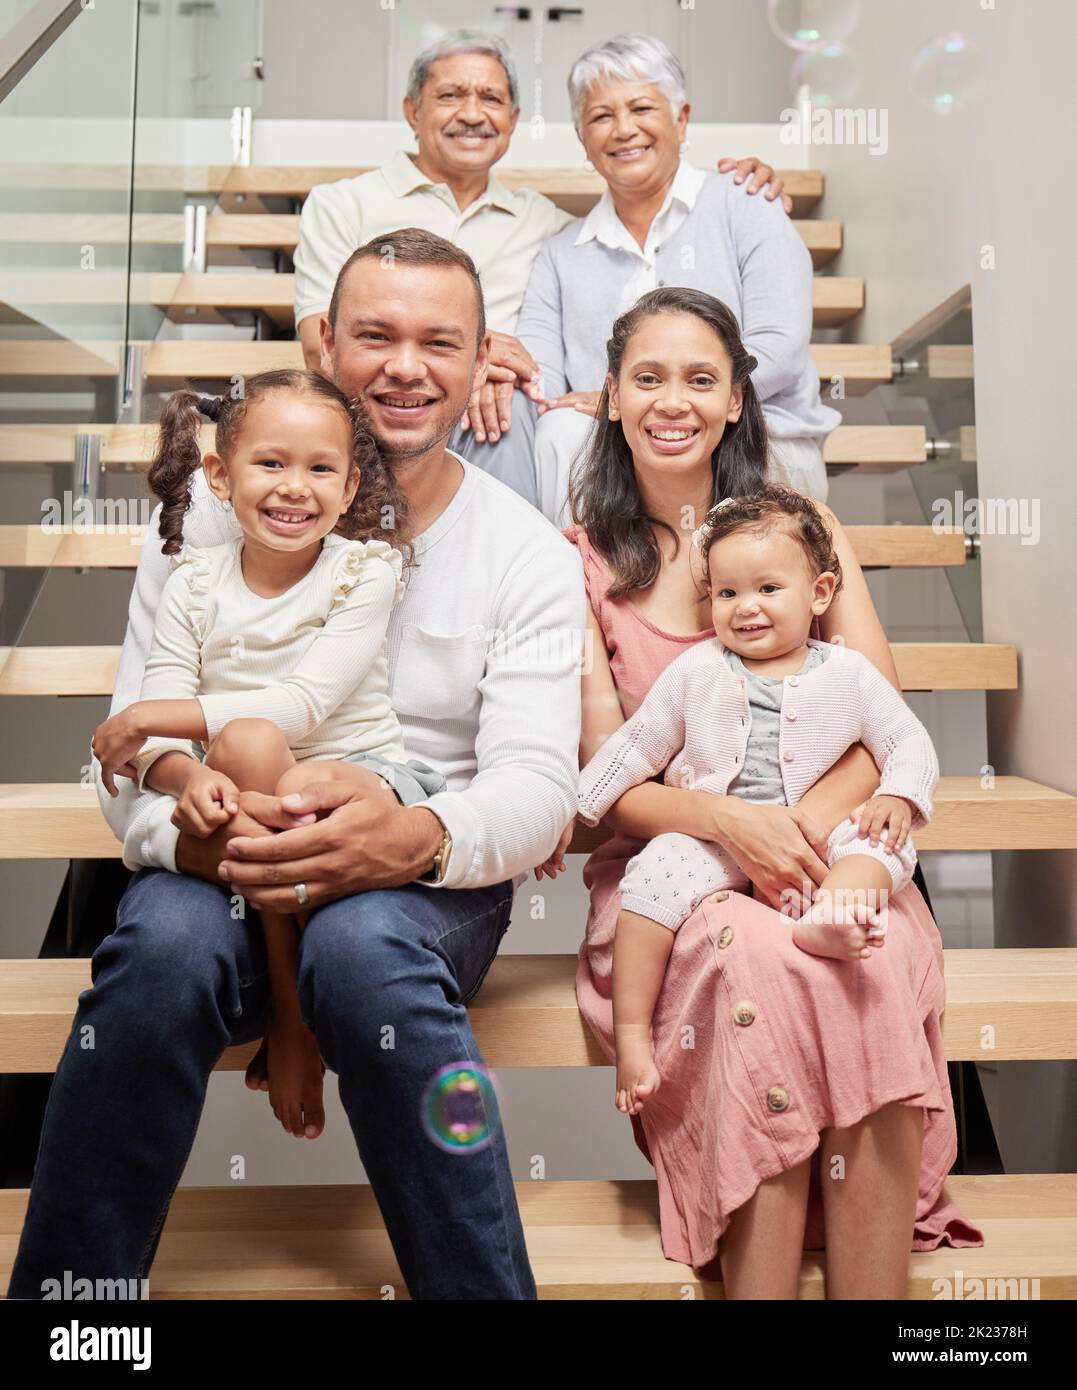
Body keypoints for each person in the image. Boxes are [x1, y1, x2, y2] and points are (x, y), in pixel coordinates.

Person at [8, 229, 586, 1301]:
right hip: (225, 863)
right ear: (323, 343)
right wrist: (195, 824)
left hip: (418, 879)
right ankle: (71, 1325)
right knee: (162, 956)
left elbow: (539, 787)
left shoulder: (525, 554)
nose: (405, 366)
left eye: (438, 343)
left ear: (476, 363)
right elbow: (130, 751)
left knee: (362, 951)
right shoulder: (199, 526)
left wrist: (415, 835)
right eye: (374, 335)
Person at [547, 285, 983, 1297]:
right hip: (672, 865)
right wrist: (728, 825)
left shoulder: (805, 530)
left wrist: (799, 833)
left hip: (823, 848)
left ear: (738, 397)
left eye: (701, 379)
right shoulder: (575, 562)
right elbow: (611, 778)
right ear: (610, 396)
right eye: (648, 377)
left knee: (870, 955)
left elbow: (882, 724)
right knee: (757, 964)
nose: (674, 401)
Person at [89, 369, 447, 1140]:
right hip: (241, 791)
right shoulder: (192, 581)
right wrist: (187, 776)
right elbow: (158, 747)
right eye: (271, 464)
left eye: (321, 469)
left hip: (355, 782)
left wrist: (154, 724)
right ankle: (290, 1014)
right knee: (236, 755)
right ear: (219, 475)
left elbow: (300, 707)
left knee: (252, 737)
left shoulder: (365, 571)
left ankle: (287, 1014)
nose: (296, 488)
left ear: (352, 487)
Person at [294, 27, 793, 505]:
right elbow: (324, 349)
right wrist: (470, 363)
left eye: (490, 99)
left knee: (508, 419)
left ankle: (525, 583)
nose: (472, 114)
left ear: (513, 119)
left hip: (493, 414)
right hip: (389, 403)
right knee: (534, 422)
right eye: (450, 96)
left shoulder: (547, 225)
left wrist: (487, 370)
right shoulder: (344, 205)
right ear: (412, 110)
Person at [573, 483, 940, 1116]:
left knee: (879, 852)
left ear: (819, 594)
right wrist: (575, 809)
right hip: (720, 840)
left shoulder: (849, 673)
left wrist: (902, 799)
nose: (746, 608)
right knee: (652, 878)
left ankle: (834, 916)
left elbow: (907, 738)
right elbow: (637, 747)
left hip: (822, 838)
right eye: (727, 593)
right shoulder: (695, 672)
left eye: (768, 589)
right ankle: (634, 1035)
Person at [471, 32, 840, 524]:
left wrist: (664, 402)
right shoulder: (561, 254)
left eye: (642, 108)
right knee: (559, 430)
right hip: (618, 452)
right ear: (583, 139)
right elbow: (543, 381)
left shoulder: (746, 203)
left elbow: (781, 346)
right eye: (601, 116)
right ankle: (577, 595)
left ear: (681, 119)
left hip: (754, 438)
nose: (624, 130)